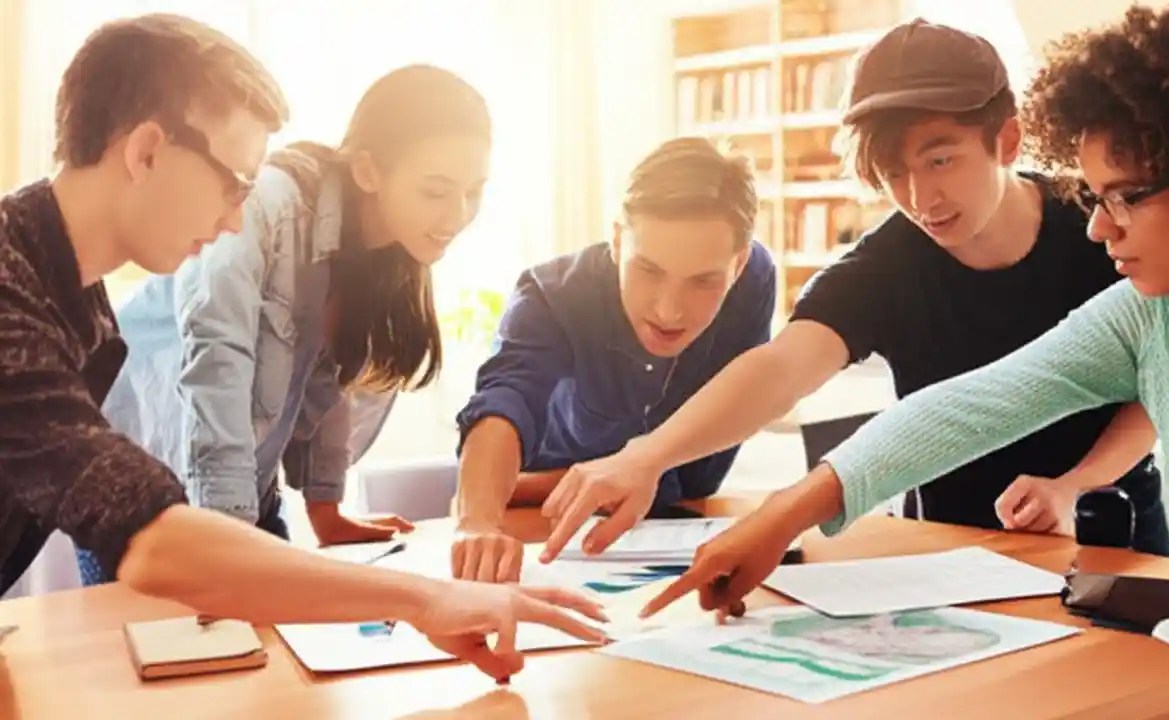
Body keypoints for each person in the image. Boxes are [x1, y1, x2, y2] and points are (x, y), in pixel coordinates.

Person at [0, 13, 602, 680]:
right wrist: (430, 599)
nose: (235, 218)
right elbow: (149, 538)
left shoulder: (75, 303)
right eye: (234, 183)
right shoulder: (10, 291)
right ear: (146, 152)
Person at [641, 3, 1169, 620]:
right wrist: (778, 518)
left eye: (1127, 198)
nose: (1097, 229)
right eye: (1095, 197)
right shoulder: (1150, 316)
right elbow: (967, 408)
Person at [539, 19, 1169, 563]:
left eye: (940, 160)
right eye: (895, 173)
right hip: (945, 550)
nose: (922, 199)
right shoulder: (887, 265)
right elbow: (781, 368)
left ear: (1005, 140)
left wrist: (1076, 485)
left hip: (1112, 533)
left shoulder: (1103, 223)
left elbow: (1163, 377)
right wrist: (647, 456)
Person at [75, 63, 489, 585]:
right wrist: (227, 545)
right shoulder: (265, 206)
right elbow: (215, 363)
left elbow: (325, 382)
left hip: (243, 498)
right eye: (436, 191)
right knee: (165, 661)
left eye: (474, 191)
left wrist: (325, 510)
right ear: (368, 171)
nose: (457, 214)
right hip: (146, 502)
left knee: (282, 655)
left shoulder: (381, 254)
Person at [451, 138, 775, 582]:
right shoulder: (552, 295)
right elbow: (505, 399)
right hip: (555, 532)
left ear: (738, 264)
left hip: (685, 531)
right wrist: (478, 524)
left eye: (702, 282)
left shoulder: (755, 279)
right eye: (649, 270)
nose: (668, 311)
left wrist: (641, 471)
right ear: (619, 240)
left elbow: (749, 395)